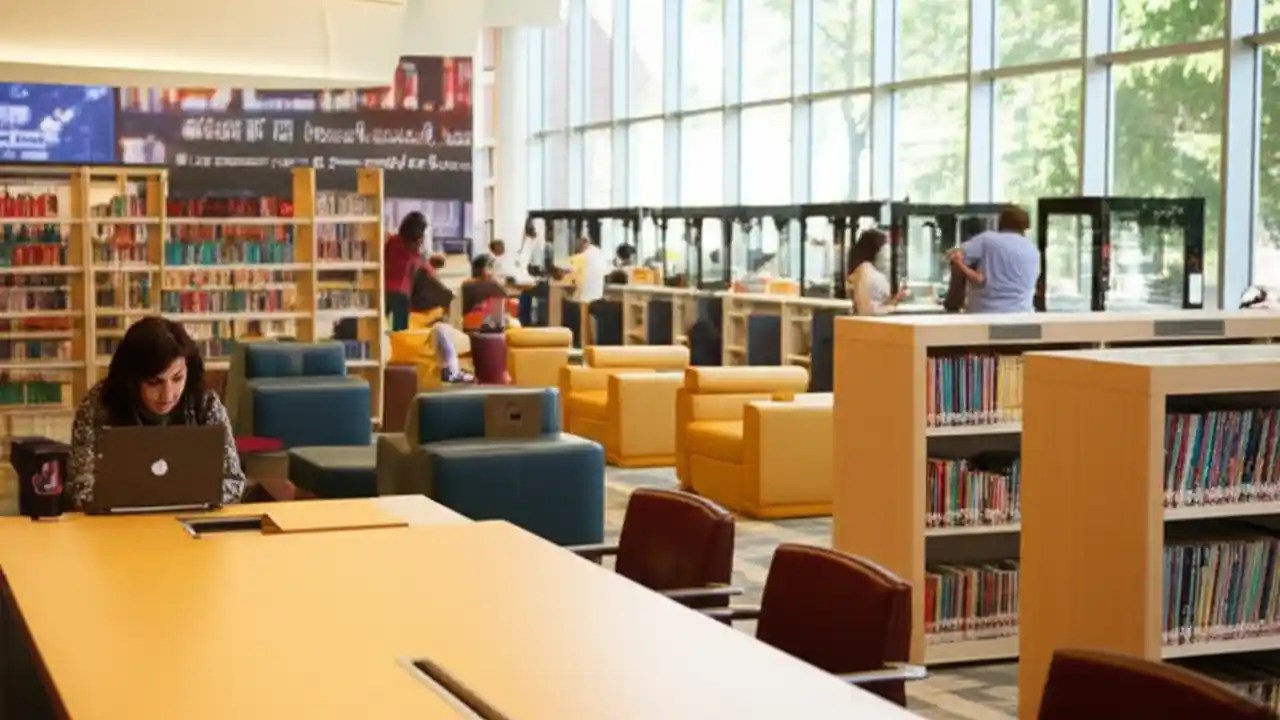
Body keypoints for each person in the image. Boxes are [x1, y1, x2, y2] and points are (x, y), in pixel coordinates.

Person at [69, 317, 245, 509]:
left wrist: (182, 499)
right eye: (154, 383)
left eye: (177, 378)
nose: (168, 395)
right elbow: (80, 488)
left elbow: (233, 481)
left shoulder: (204, 403)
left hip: (190, 519)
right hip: (119, 526)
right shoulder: (99, 404)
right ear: (132, 380)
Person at [947, 206, 1039, 314]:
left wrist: (952, 303)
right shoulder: (1032, 249)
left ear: (1000, 222)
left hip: (985, 315)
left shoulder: (987, 240)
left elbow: (955, 257)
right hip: (1023, 315)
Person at [846, 229, 908, 315]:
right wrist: (892, 308)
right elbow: (865, 310)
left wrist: (895, 300)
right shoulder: (864, 270)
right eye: (885, 249)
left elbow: (877, 303)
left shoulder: (873, 271)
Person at [384, 212, 428, 331]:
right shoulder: (414, 248)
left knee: (378, 326)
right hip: (402, 291)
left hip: (384, 289)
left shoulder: (392, 241)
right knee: (400, 331)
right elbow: (418, 268)